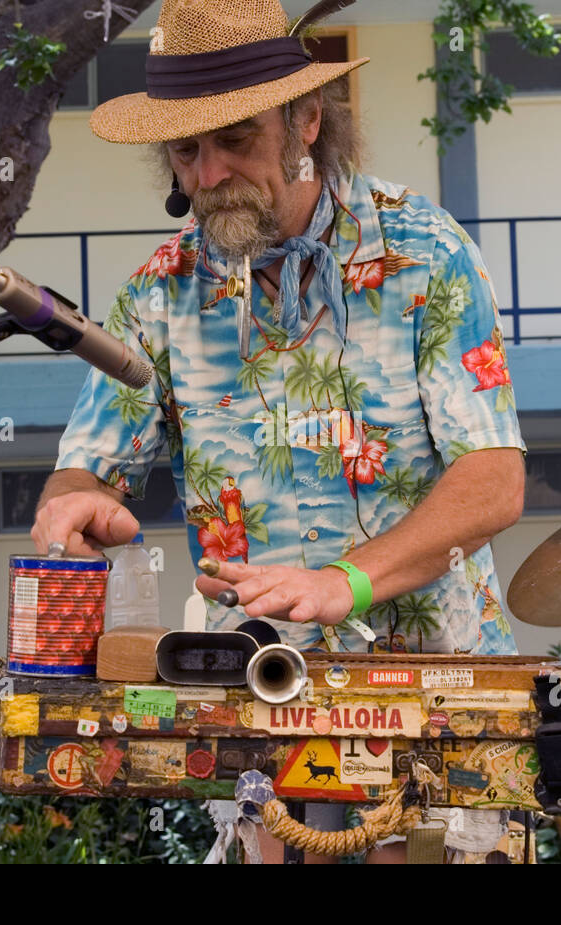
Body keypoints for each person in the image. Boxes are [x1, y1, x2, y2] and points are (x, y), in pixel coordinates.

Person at [29, 0, 526, 863]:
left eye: (236, 139)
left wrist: (347, 582)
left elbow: (494, 480)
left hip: (434, 691)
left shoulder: (425, 252)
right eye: (188, 149)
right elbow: (87, 473)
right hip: (257, 708)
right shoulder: (158, 293)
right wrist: (72, 508)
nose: (211, 171)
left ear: (305, 122)